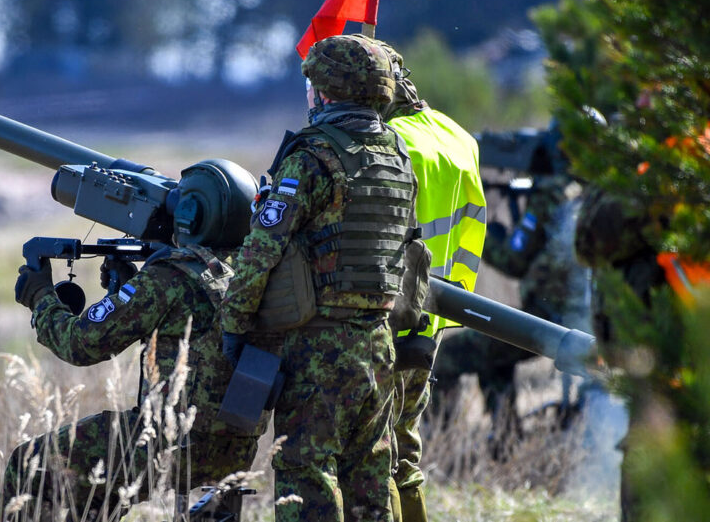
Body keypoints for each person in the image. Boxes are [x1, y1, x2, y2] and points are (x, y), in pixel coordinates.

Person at [0, 161, 265, 522]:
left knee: (31, 464)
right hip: (235, 449)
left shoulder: (169, 278)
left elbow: (81, 343)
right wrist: (128, 287)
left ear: (193, 213)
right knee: (92, 498)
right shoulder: (250, 273)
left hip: (168, 444)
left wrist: (40, 296)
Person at [217, 34, 418, 522]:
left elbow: (261, 250)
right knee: (371, 485)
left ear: (326, 92)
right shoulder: (397, 156)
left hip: (319, 351)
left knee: (307, 477)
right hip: (378, 346)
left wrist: (234, 324)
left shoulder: (312, 157)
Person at [374, 39, 487, 522]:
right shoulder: (458, 136)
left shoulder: (390, 143)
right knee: (405, 450)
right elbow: (470, 230)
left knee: (372, 453)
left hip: (383, 317)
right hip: (433, 316)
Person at [433, 126, 591, 451]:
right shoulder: (591, 191)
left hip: (550, 323)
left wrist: (481, 232)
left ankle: (440, 451)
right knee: (493, 350)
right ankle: (505, 441)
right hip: (579, 321)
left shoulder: (554, 193)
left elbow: (514, 260)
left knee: (448, 355)